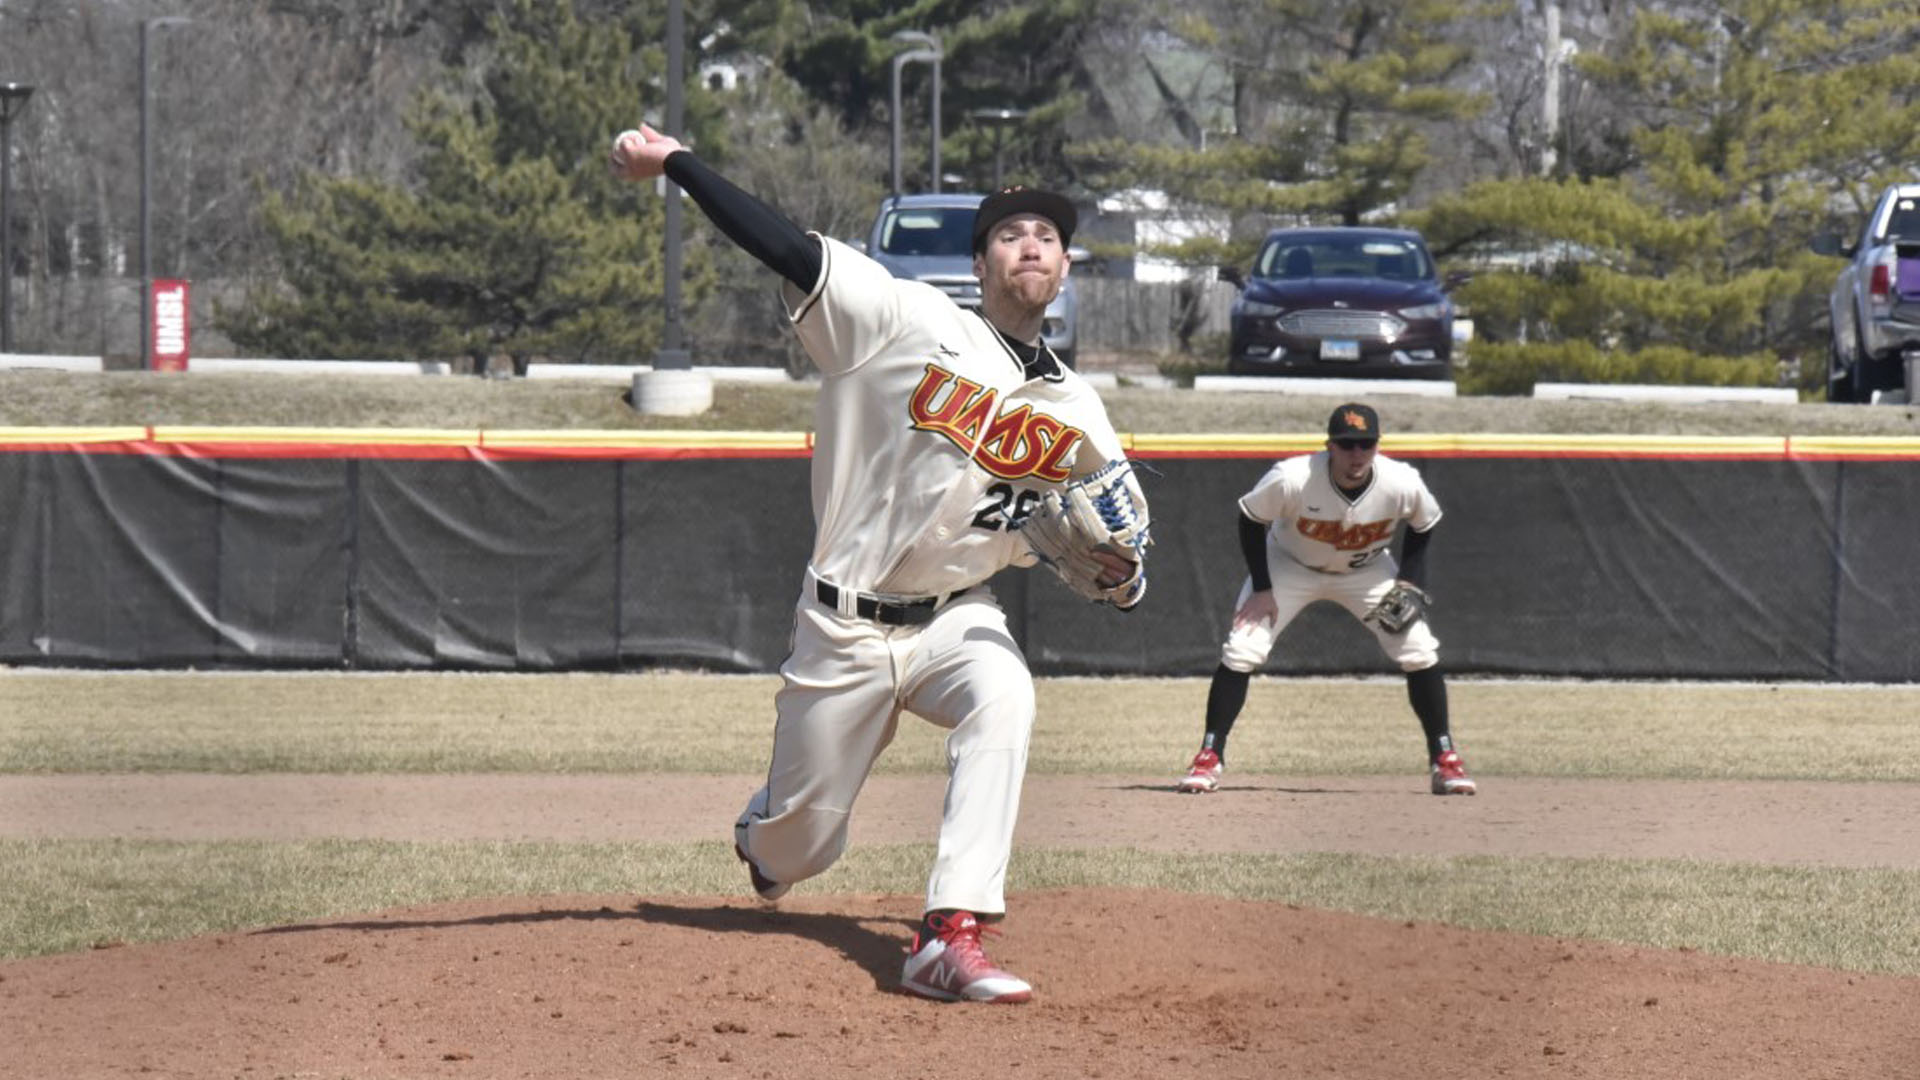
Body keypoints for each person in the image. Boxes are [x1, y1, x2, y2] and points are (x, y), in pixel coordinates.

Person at [609, 125, 1148, 1005]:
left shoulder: (1079, 411)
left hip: (954, 618)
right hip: (842, 624)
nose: (1032, 245)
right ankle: (764, 838)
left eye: (1048, 235)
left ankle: (948, 934)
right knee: (800, 849)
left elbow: (1124, 552)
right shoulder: (905, 321)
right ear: (979, 266)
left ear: (1067, 269)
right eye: (1011, 234)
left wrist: (1120, 575)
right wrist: (676, 164)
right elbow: (785, 245)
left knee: (1006, 695)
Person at [1175, 402, 1475, 796]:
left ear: (1377, 446)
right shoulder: (1293, 477)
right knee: (1243, 648)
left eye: (1365, 444)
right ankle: (1209, 757)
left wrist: (1409, 582)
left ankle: (1445, 759)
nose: (1356, 455)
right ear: (1329, 445)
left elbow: (1425, 524)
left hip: (1365, 572)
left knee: (1418, 649)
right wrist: (1263, 588)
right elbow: (1251, 520)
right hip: (1289, 565)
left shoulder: (1400, 482)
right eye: (1347, 444)